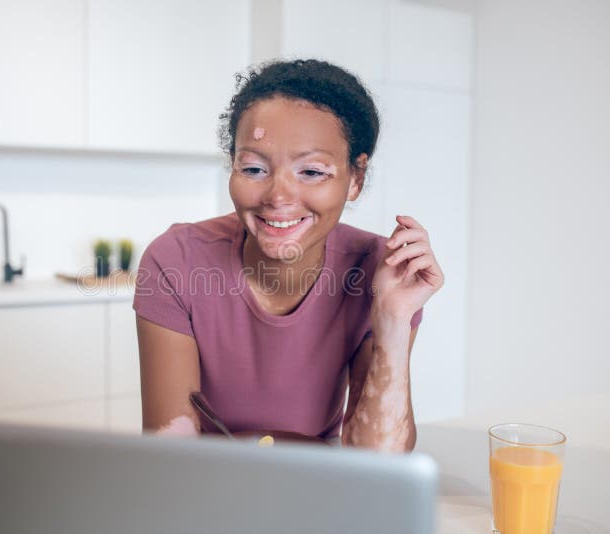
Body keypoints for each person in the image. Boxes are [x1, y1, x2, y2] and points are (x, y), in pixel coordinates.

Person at [133, 59, 444, 452]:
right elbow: (170, 457)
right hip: (207, 486)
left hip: (321, 488)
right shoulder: (174, 262)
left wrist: (394, 323)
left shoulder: (382, 272)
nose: (278, 197)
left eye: (311, 172)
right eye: (253, 168)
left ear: (356, 180)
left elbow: (379, 461)